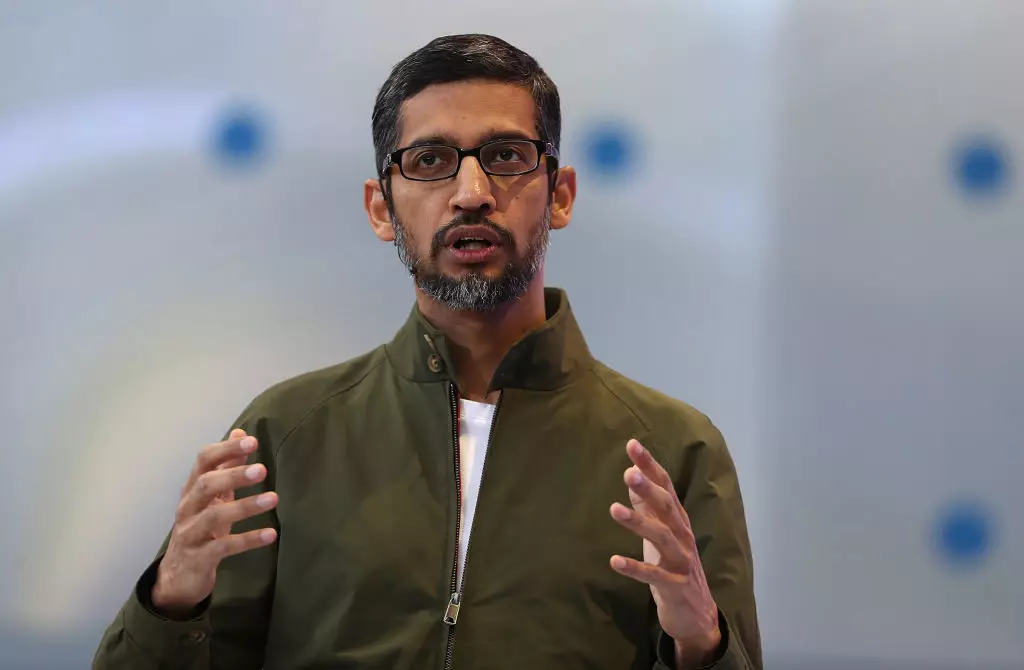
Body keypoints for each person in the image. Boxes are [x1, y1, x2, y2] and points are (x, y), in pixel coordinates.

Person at [92, 33, 761, 670]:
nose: (472, 194)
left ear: (560, 196)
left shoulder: (672, 453)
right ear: (381, 208)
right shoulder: (286, 434)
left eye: (505, 156)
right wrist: (171, 600)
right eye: (431, 161)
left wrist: (701, 646)